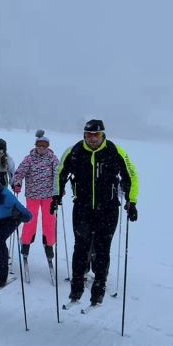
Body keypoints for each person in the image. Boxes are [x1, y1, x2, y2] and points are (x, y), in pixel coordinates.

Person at [53, 119, 139, 305]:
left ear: (103, 135)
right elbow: (60, 172)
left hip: (108, 209)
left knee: (102, 248)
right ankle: (77, 286)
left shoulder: (114, 151)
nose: (93, 139)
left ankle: (99, 287)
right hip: (82, 207)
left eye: (96, 135)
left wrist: (132, 201)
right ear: (84, 135)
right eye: (89, 135)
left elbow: (131, 174)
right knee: (81, 247)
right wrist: (56, 195)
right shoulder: (75, 151)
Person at [11, 130, 59, 266]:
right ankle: (25, 244)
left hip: (48, 196)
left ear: (48, 147)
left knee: (49, 221)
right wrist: (17, 182)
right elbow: (20, 172)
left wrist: (59, 191)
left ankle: (49, 245)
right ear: (36, 145)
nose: (41, 148)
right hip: (32, 195)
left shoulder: (52, 159)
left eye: (44, 146)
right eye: (39, 146)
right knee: (30, 220)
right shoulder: (29, 158)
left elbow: (58, 175)